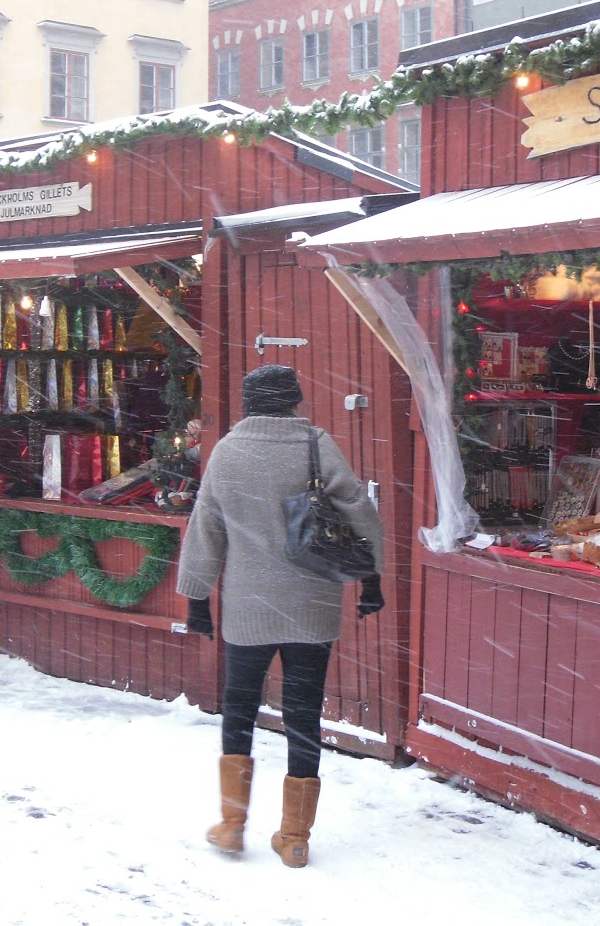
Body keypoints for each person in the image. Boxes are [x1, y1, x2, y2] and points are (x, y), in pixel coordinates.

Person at [176, 364, 385, 869]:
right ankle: (294, 837)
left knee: (240, 709)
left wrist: (197, 599)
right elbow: (358, 509)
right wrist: (371, 577)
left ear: (249, 403)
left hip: (248, 606)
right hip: (313, 602)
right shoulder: (316, 445)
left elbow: (206, 525)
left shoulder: (227, 451)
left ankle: (231, 824)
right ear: (295, 400)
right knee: (303, 714)